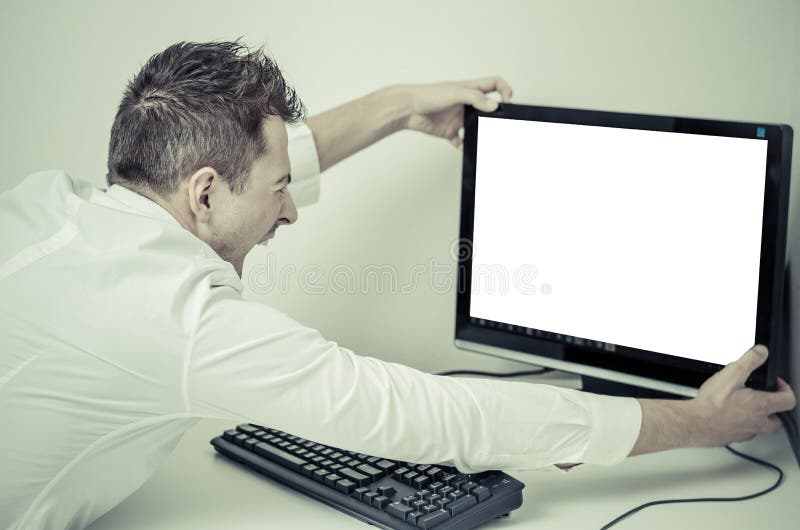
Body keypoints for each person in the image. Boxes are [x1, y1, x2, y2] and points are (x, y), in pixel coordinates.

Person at [0, 40, 794, 530]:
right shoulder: (180, 324)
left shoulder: (49, 206)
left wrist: (399, 107)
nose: (293, 212)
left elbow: (257, 163)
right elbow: (427, 415)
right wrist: (695, 422)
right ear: (204, 193)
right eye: (280, 189)